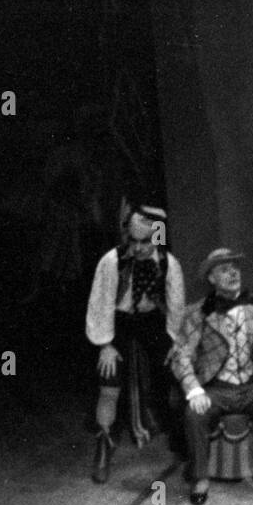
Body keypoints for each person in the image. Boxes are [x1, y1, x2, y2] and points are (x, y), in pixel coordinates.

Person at [169, 248, 253, 505]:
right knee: (194, 414)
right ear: (211, 278)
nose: (232, 272)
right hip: (217, 388)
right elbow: (181, 355)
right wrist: (194, 390)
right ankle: (200, 478)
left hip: (252, 385)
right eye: (224, 269)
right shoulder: (197, 313)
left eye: (234, 267)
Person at [84, 205, 185, 483]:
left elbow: (176, 307)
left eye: (146, 241)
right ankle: (104, 446)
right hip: (118, 323)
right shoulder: (112, 261)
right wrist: (105, 344)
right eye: (134, 241)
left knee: (176, 371)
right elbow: (100, 303)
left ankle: (182, 440)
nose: (138, 248)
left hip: (151, 322)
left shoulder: (167, 263)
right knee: (109, 381)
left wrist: (175, 342)